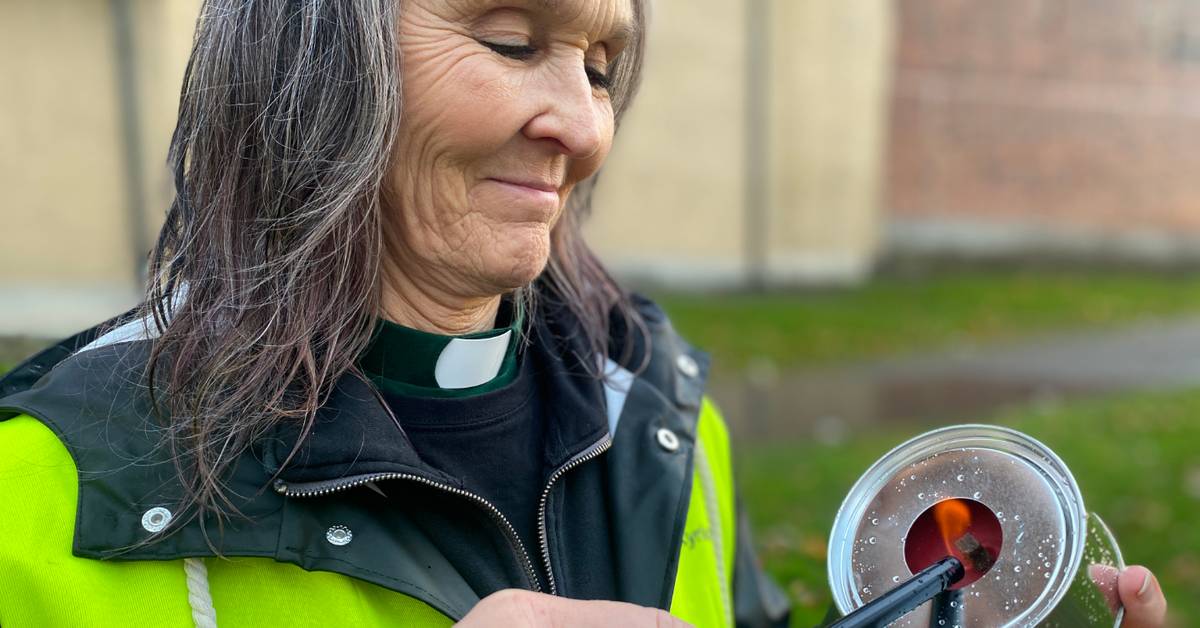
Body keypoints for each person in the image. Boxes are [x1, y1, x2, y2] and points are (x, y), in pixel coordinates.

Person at [0, 0, 1167, 626]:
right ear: (304, 53)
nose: (586, 124)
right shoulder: (48, 487)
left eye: (601, 64)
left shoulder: (658, 407)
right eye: (513, 41)